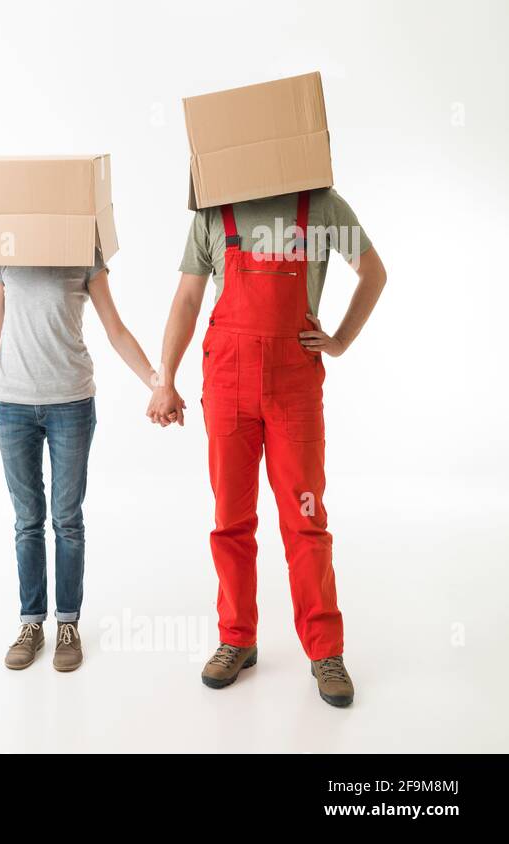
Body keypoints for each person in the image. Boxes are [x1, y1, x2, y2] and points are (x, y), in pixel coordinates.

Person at [146, 188, 386, 707]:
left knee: (305, 519)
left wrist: (340, 340)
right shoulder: (215, 208)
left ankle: (326, 651)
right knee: (231, 519)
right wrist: (165, 379)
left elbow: (374, 273)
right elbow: (188, 300)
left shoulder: (320, 205)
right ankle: (237, 638)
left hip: (293, 386)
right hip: (228, 383)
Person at [0, 253, 158, 671]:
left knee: (67, 519)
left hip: (70, 402)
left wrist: (158, 383)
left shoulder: (83, 249)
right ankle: (31, 623)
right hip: (12, 406)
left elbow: (115, 329)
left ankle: (68, 624)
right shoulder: (3, 252)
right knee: (27, 519)